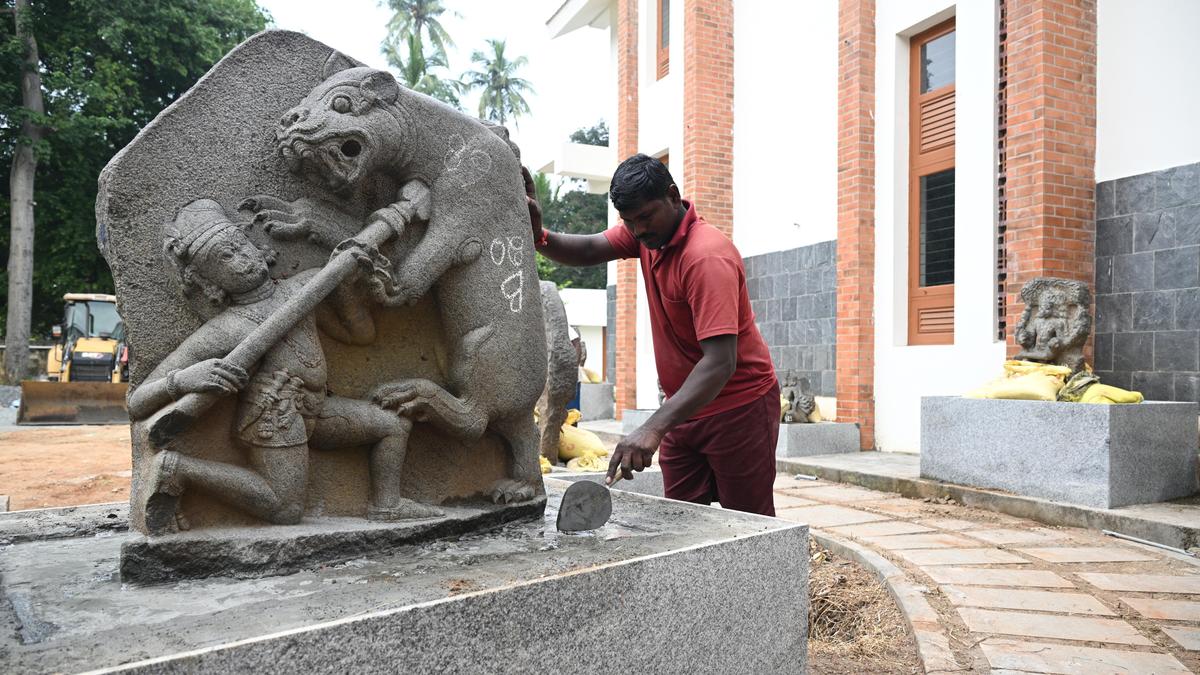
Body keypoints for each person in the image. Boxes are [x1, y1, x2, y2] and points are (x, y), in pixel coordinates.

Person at [523, 155, 780, 516]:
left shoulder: (706, 257)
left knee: (748, 523)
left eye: (645, 218)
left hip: (738, 408)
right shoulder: (648, 236)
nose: (638, 230)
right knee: (681, 519)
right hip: (684, 409)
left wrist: (652, 428)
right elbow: (590, 248)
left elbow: (721, 362)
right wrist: (539, 237)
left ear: (673, 196)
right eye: (629, 222)